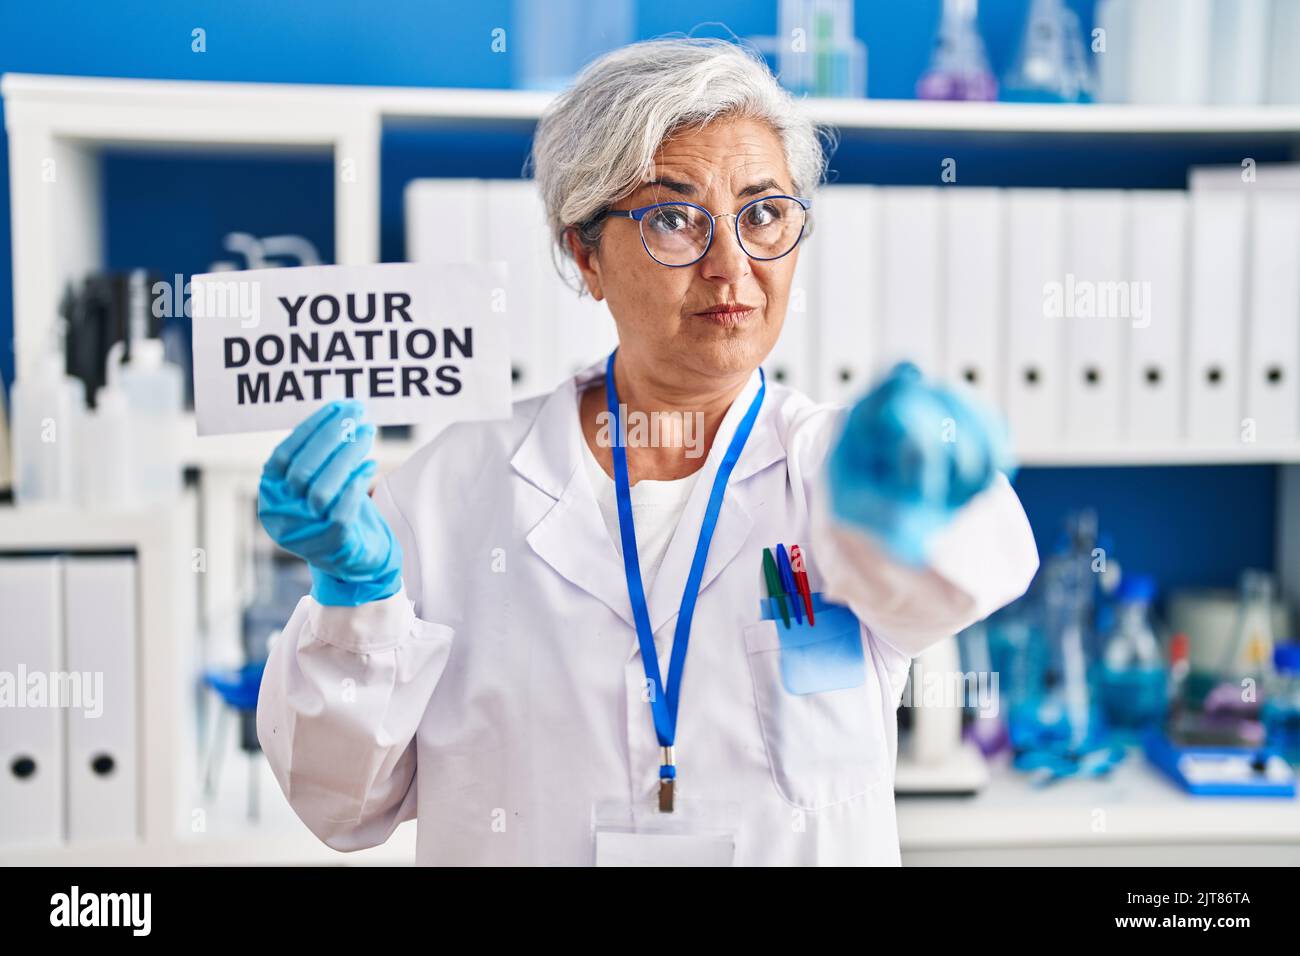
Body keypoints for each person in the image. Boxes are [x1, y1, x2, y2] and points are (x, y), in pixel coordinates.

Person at [255, 36, 1039, 865]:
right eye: (674, 218)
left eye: (764, 213)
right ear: (584, 254)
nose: (731, 266)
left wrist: (940, 492)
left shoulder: (837, 467)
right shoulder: (452, 489)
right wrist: (355, 602)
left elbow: (964, 576)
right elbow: (341, 805)